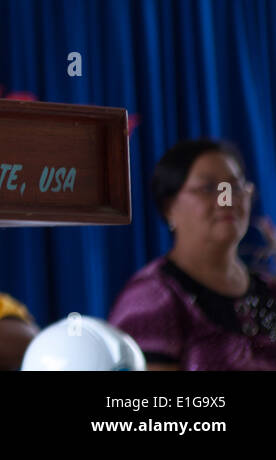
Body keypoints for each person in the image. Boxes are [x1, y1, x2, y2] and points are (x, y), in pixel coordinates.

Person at [108, 138, 276, 370]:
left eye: (235, 187)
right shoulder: (151, 298)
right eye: (208, 189)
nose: (226, 200)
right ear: (169, 207)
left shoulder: (269, 288)